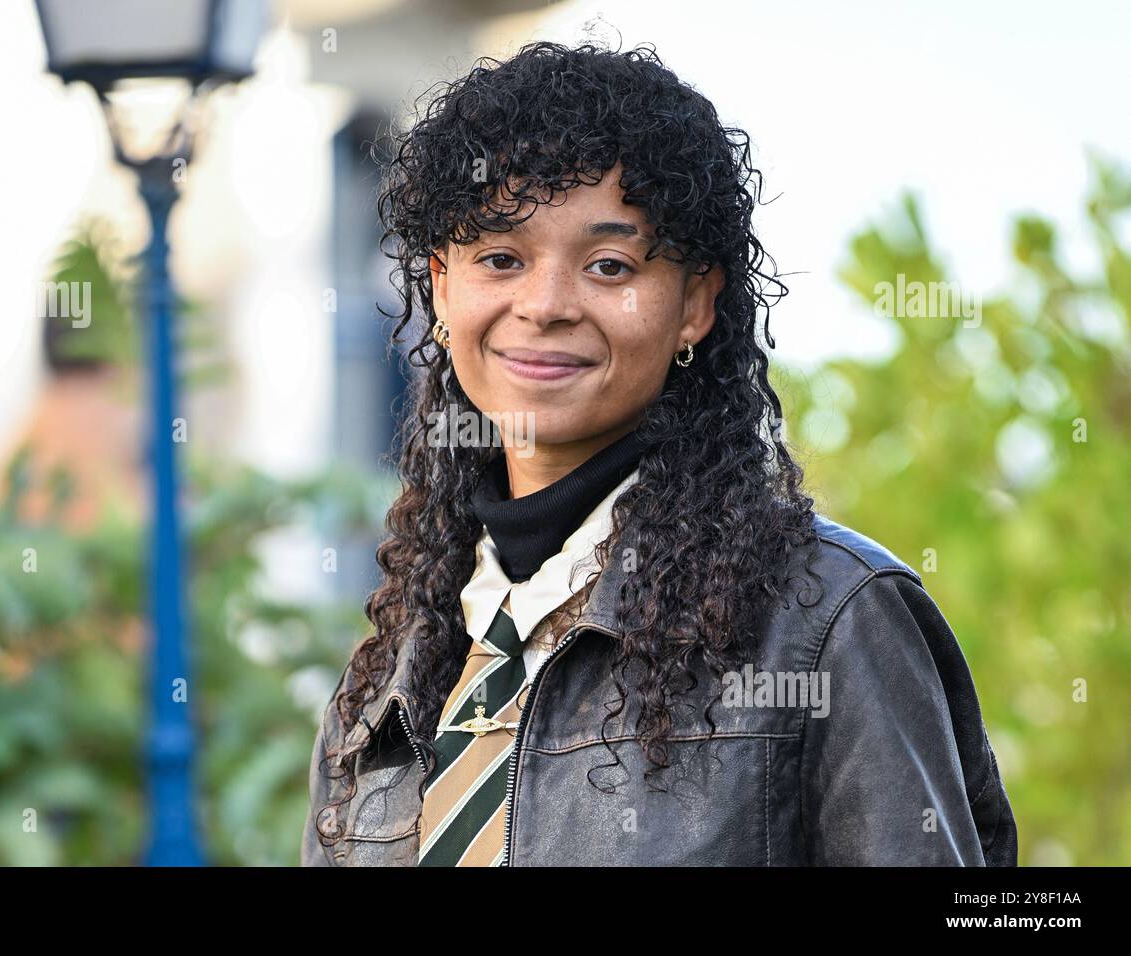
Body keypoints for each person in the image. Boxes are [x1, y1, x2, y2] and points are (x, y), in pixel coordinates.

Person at [301, 40, 1017, 866]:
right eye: (500, 258)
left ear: (695, 305)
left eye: (609, 266)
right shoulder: (390, 678)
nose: (545, 305)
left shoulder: (827, 621)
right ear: (441, 287)